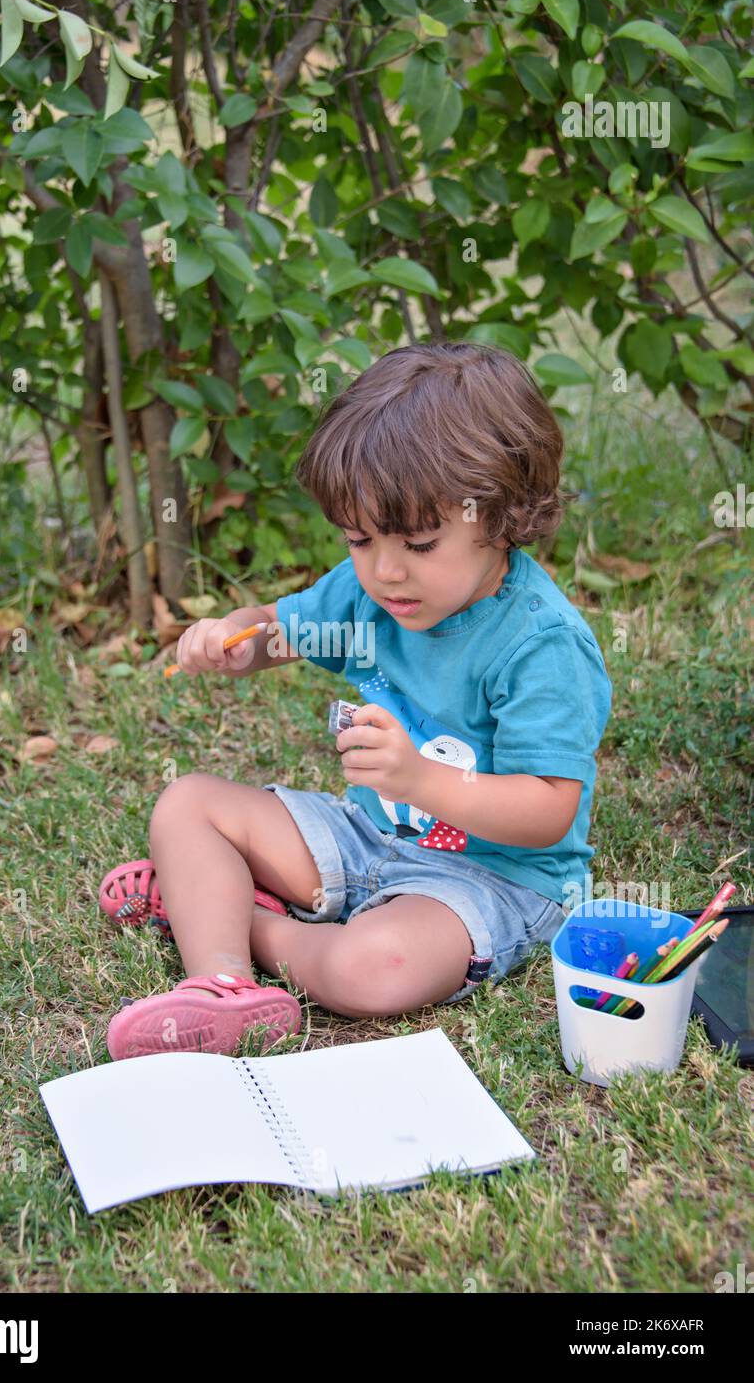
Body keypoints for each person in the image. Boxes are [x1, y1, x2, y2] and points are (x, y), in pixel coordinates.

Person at [102, 342, 612, 1060]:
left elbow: (548, 810)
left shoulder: (539, 644)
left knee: (368, 971)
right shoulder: (371, 589)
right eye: (357, 538)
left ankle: (236, 916)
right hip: (365, 838)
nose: (384, 570)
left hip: (493, 882)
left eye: (420, 542)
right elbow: (277, 633)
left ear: (501, 517)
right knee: (188, 804)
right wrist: (232, 639)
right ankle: (220, 985)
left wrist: (421, 781)